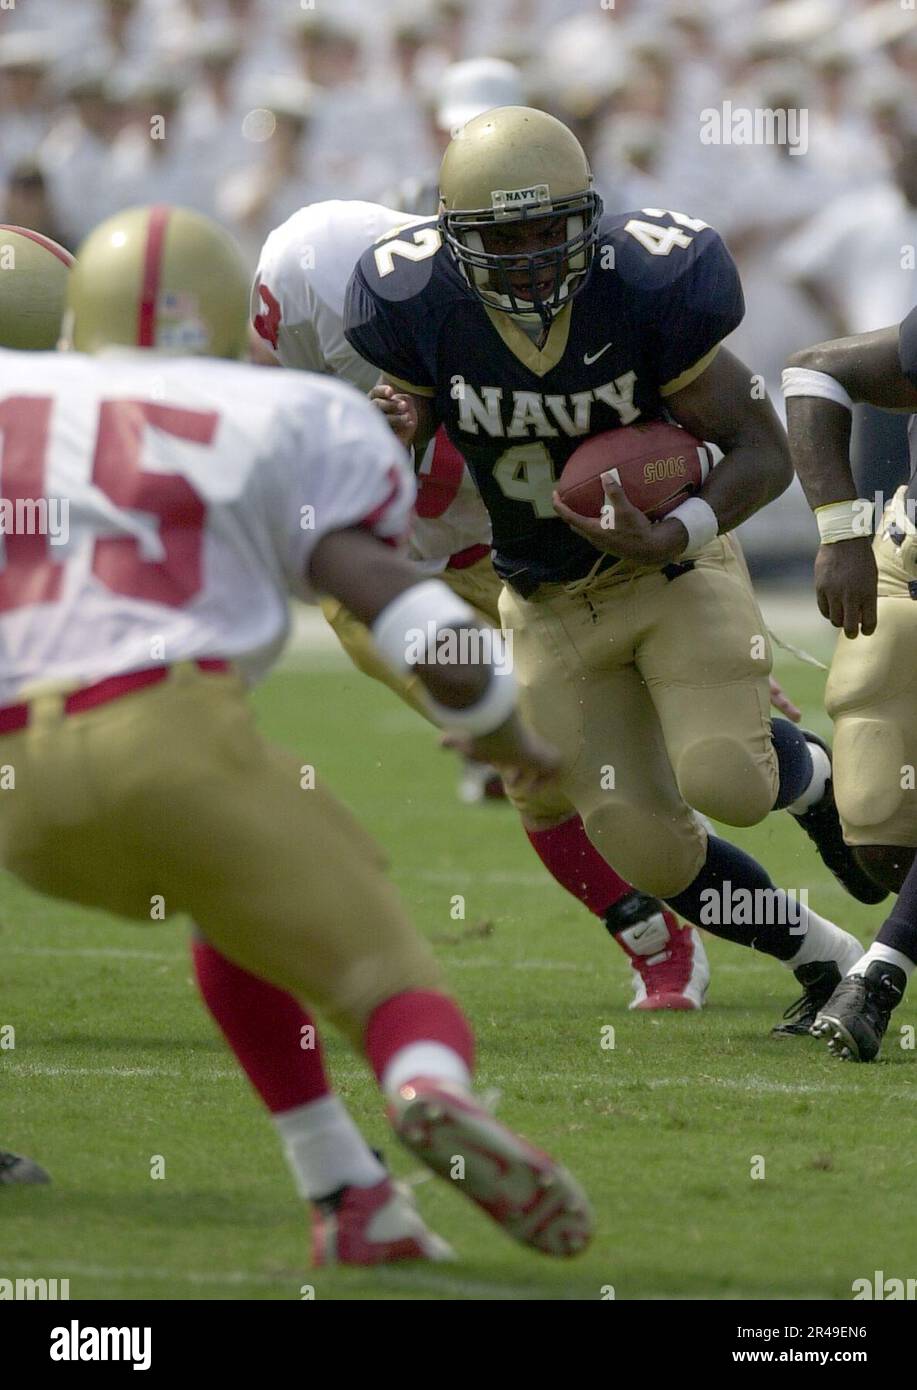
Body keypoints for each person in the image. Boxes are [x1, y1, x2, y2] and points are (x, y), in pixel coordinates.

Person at [0, 202, 592, 1260]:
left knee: (235, 912)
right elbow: (391, 600)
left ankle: (348, 1198)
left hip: (16, 782)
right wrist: (504, 723)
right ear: (233, 312)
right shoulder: (281, 412)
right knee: (382, 971)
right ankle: (427, 1088)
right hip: (169, 734)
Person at [344, 105, 875, 1037]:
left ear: (585, 218)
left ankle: (813, 780)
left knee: (726, 783)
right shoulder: (411, 302)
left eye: (547, 229)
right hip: (543, 599)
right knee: (643, 849)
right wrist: (388, 435)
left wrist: (679, 533)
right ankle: (823, 960)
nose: (529, 255)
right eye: (503, 235)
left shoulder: (648, 283)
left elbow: (759, 449)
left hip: (672, 575)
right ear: (455, 236)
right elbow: (408, 435)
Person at [254, 195, 710, 1012]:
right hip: (385, 576)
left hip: (512, 547)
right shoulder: (310, 262)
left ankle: (788, 810)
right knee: (534, 762)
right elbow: (264, 425)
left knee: (652, 708)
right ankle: (651, 939)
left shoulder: (503, 297)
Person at [784, 307, 917, 1060]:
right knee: (878, 832)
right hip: (906, 566)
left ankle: (875, 976)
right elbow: (814, 370)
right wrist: (839, 530)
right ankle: (812, 780)